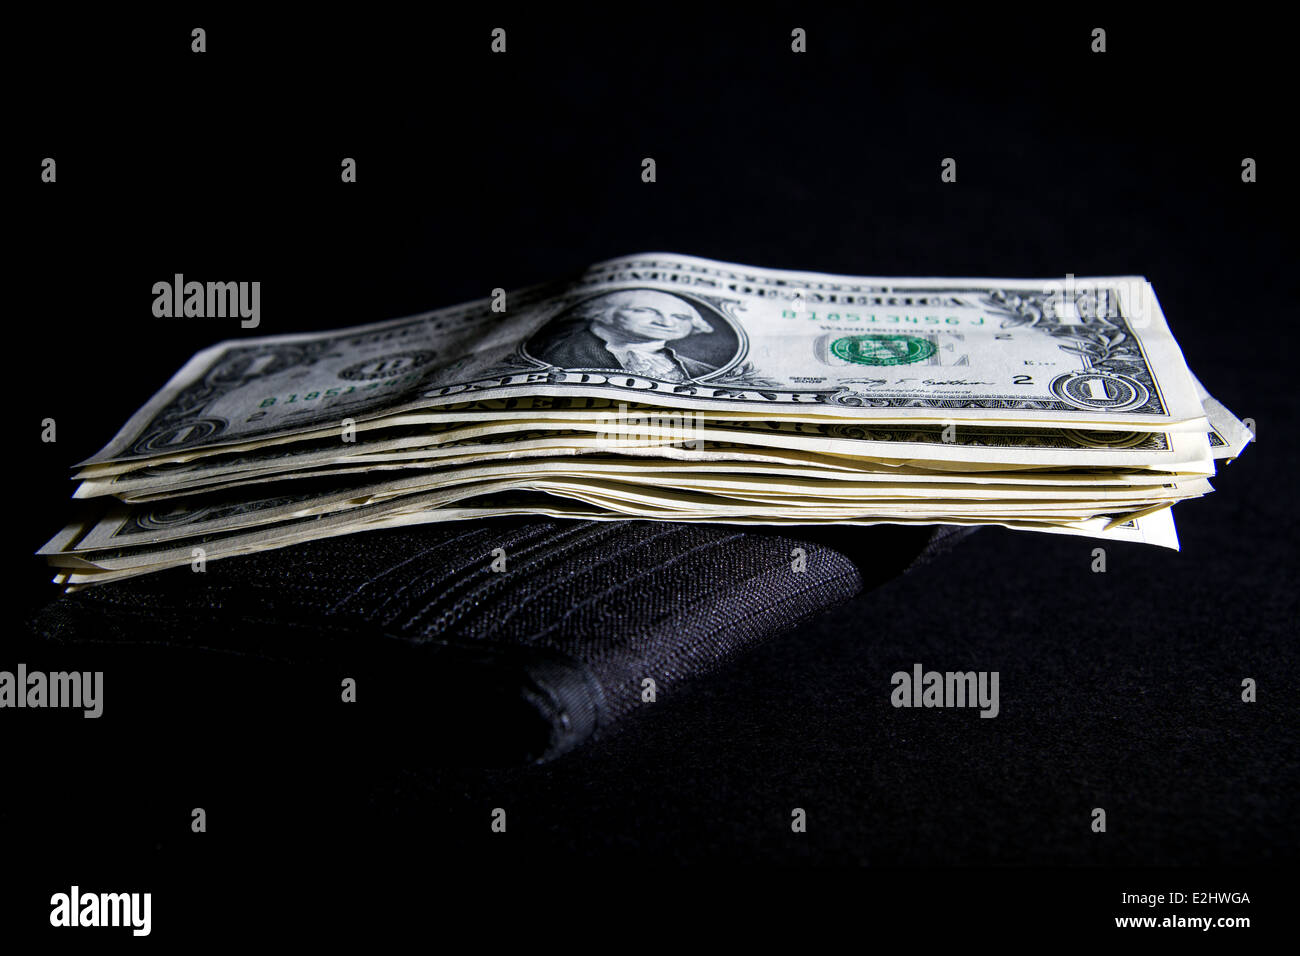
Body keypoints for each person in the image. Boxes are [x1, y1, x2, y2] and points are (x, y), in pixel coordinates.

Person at [529, 289, 720, 382]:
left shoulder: (702, 370)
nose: (666, 323)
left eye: (680, 317)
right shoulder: (551, 353)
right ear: (601, 313)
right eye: (644, 311)